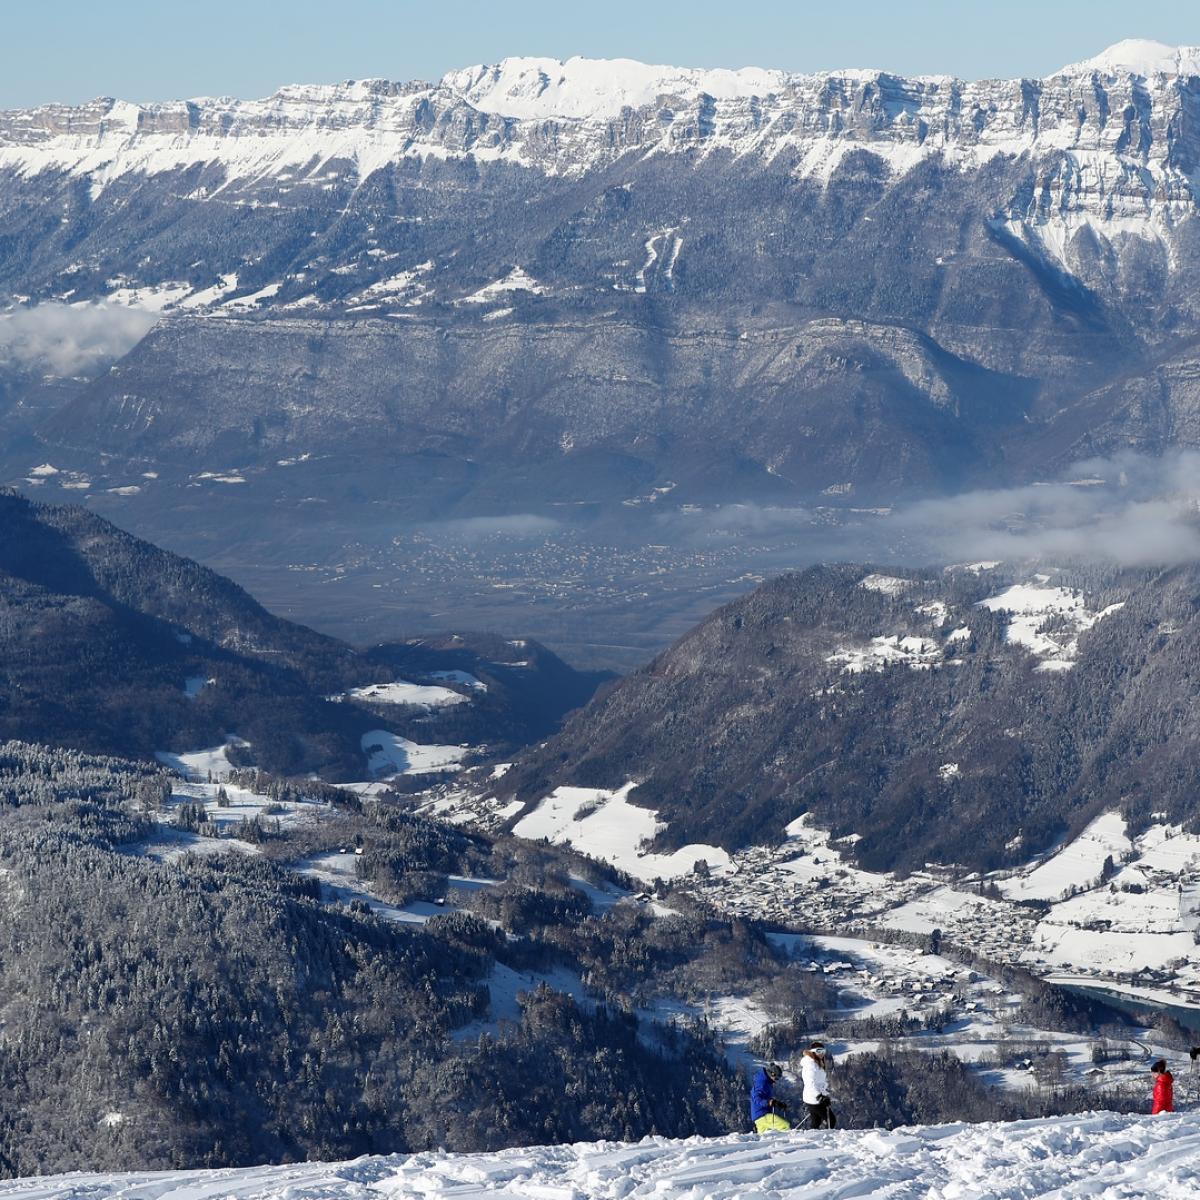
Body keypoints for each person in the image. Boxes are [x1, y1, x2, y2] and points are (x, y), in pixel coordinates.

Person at [800, 1041, 837, 1129]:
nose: (822, 1054)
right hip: (814, 1098)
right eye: (819, 1051)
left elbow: (820, 1083)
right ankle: (826, 1138)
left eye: (823, 1051)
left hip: (812, 1097)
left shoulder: (816, 1062)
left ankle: (813, 1139)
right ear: (813, 1051)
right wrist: (820, 1096)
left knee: (816, 1122)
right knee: (831, 1120)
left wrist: (824, 1095)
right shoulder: (810, 1065)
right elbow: (810, 1083)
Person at [750, 1062, 790, 1132]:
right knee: (785, 1126)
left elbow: (765, 1097)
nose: (776, 1080)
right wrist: (769, 1102)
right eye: (777, 1078)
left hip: (759, 1116)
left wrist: (777, 1103)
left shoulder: (766, 1082)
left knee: (766, 1137)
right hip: (762, 1114)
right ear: (772, 1074)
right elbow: (756, 1099)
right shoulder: (762, 1083)